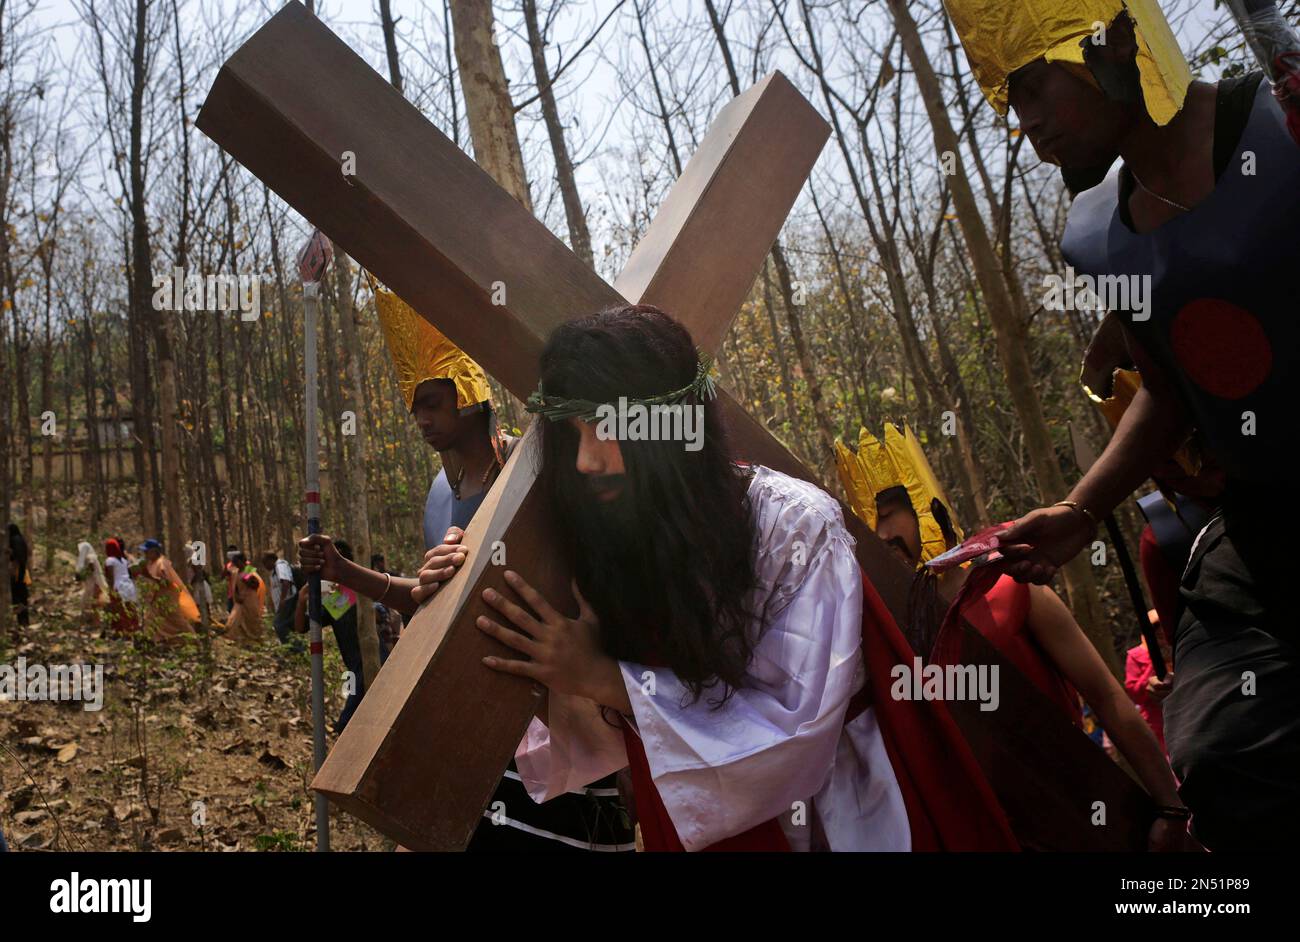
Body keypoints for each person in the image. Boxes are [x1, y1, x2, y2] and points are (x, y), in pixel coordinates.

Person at [456, 305, 1015, 851]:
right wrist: (460, 583)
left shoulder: (793, 525)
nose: (585, 461)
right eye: (571, 435)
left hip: (843, 811)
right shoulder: (609, 544)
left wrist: (606, 679)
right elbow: (602, 739)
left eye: (605, 429)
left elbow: (795, 734)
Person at [946, 0, 1300, 850]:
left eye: (1035, 87)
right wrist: (1079, 511)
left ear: (1114, 43)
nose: (1025, 125)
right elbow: (1171, 384)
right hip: (1263, 540)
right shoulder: (1101, 235)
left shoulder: (1283, 126)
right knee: (1223, 752)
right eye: (1009, 101)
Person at [301, 275, 633, 852]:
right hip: (479, 732)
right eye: (413, 407)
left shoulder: (538, 471)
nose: (421, 419)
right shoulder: (438, 492)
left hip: (566, 715)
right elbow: (433, 608)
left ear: (467, 390)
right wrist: (345, 573)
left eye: (431, 402)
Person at [836, 422, 1186, 851]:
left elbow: (1107, 695)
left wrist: (1170, 806)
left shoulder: (1008, 584)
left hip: (1074, 808)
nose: (882, 533)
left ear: (926, 505)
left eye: (889, 514)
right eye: (869, 521)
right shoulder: (886, 633)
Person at [294, 539, 363, 733]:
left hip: (373, 663)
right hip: (355, 666)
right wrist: (301, 600)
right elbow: (301, 627)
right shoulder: (336, 598)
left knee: (348, 722)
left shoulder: (363, 589)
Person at [136, 539, 200, 645]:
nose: (145, 554)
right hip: (157, 599)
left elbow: (166, 581)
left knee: (177, 621)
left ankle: (195, 641)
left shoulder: (162, 563)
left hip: (168, 598)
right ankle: (161, 642)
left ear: (154, 551)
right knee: (155, 620)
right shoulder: (152, 563)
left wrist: (148, 576)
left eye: (147, 552)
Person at [103, 538, 138, 634]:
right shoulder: (123, 560)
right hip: (129, 586)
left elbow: (110, 577)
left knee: (120, 610)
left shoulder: (110, 560)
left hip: (118, 586)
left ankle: (123, 632)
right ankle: (133, 630)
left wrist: (111, 590)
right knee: (131, 609)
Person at [225, 570, 266, 646]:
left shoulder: (248, 572)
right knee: (236, 619)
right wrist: (237, 596)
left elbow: (255, 584)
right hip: (240, 601)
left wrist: (247, 581)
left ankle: (255, 637)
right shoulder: (235, 573)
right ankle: (240, 638)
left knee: (252, 617)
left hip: (250, 599)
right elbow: (235, 588)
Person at [75, 541, 109, 625]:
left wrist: (82, 575)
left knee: (94, 604)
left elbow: (91, 568)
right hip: (91, 584)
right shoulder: (89, 558)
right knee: (90, 604)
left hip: (94, 584)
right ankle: (93, 622)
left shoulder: (90, 558)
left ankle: (96, 622)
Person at [7, 523, 30, 627]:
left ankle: (22, 620)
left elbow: (17, 555)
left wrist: (10, 554)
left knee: (18, 595)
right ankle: (24, 621)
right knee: (22, 595)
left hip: (18, 571)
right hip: (22, 570)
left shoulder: (15, 540)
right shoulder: (20, 538)